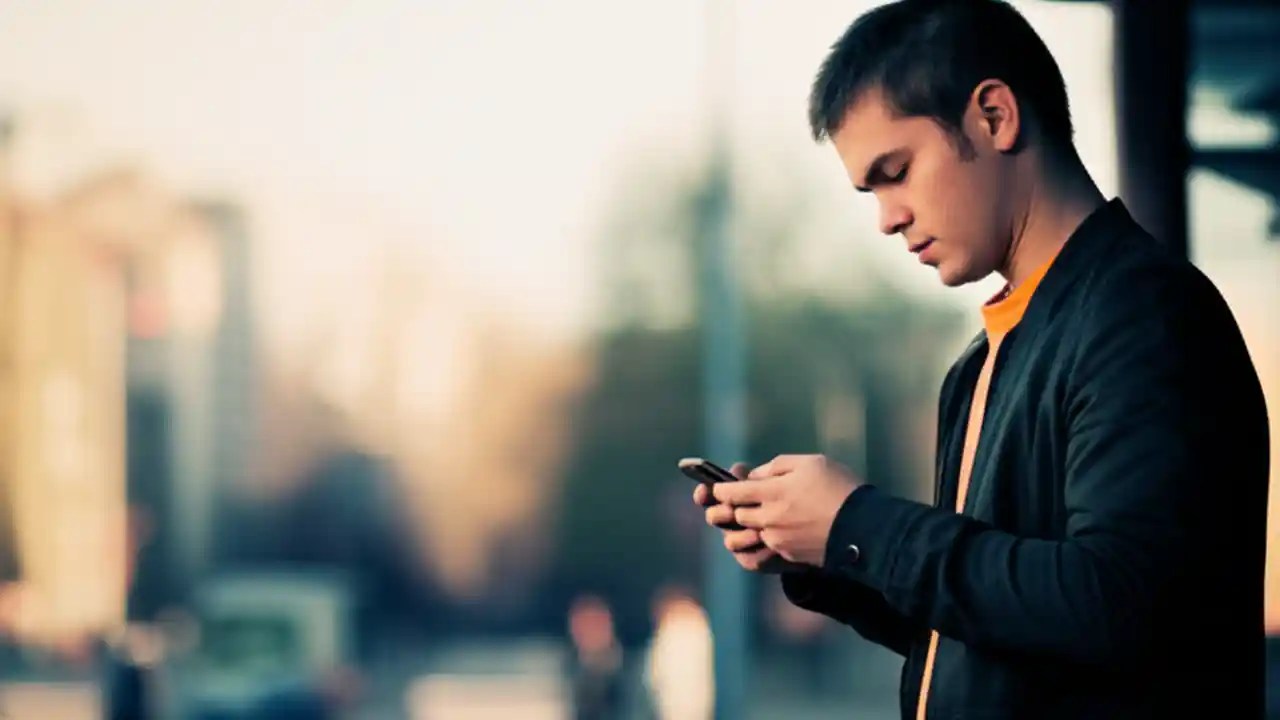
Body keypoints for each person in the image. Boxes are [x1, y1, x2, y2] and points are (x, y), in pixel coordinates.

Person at [692, 1, 1271, 718]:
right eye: (871, 190)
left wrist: (861, 525)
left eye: (896, 171)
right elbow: (989, 627)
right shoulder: (979, 364)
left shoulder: (1143, 315)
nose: (886, 217)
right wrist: (827, 557)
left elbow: (1119, 608)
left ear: (994, 116)